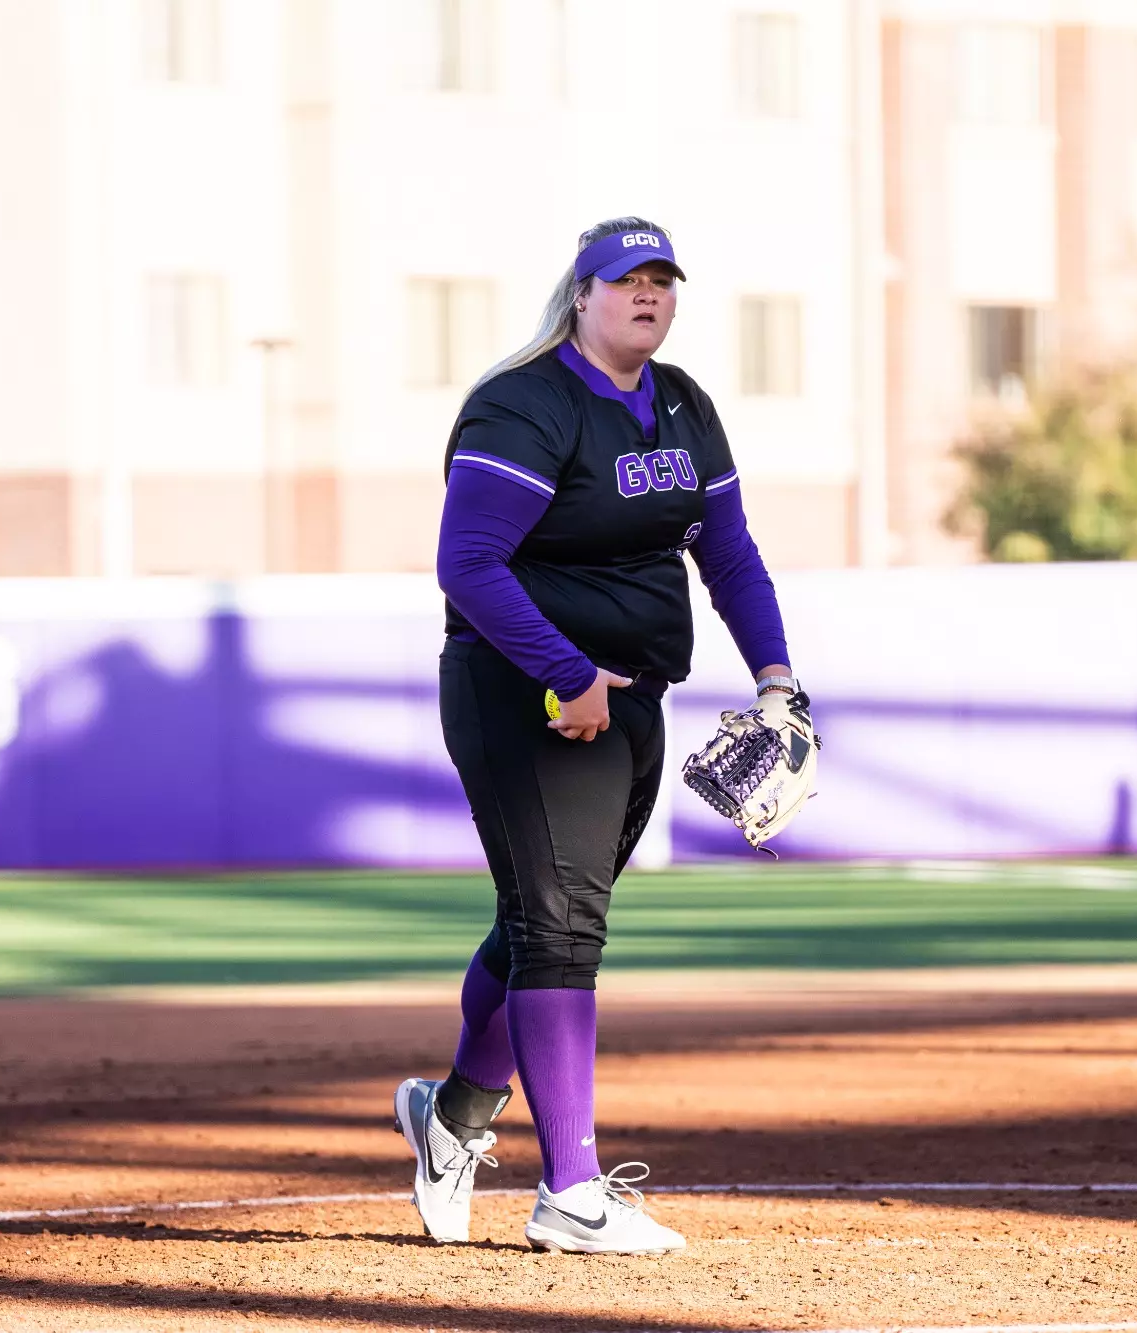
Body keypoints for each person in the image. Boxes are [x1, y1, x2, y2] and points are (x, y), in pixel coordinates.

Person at [394, 217, 798, 1255]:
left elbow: (732, 554)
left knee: (541, 919)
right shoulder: (523, 403)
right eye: (627, 280)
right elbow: (468, 564)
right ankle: (568, 1189)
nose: (648, 294)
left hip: (627, 699)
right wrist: (564, 674)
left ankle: (449, 1122)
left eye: (662, 279)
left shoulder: (680, 405)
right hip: (521, 693)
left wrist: (776, 680)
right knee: (562, 926)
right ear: (580, 295)